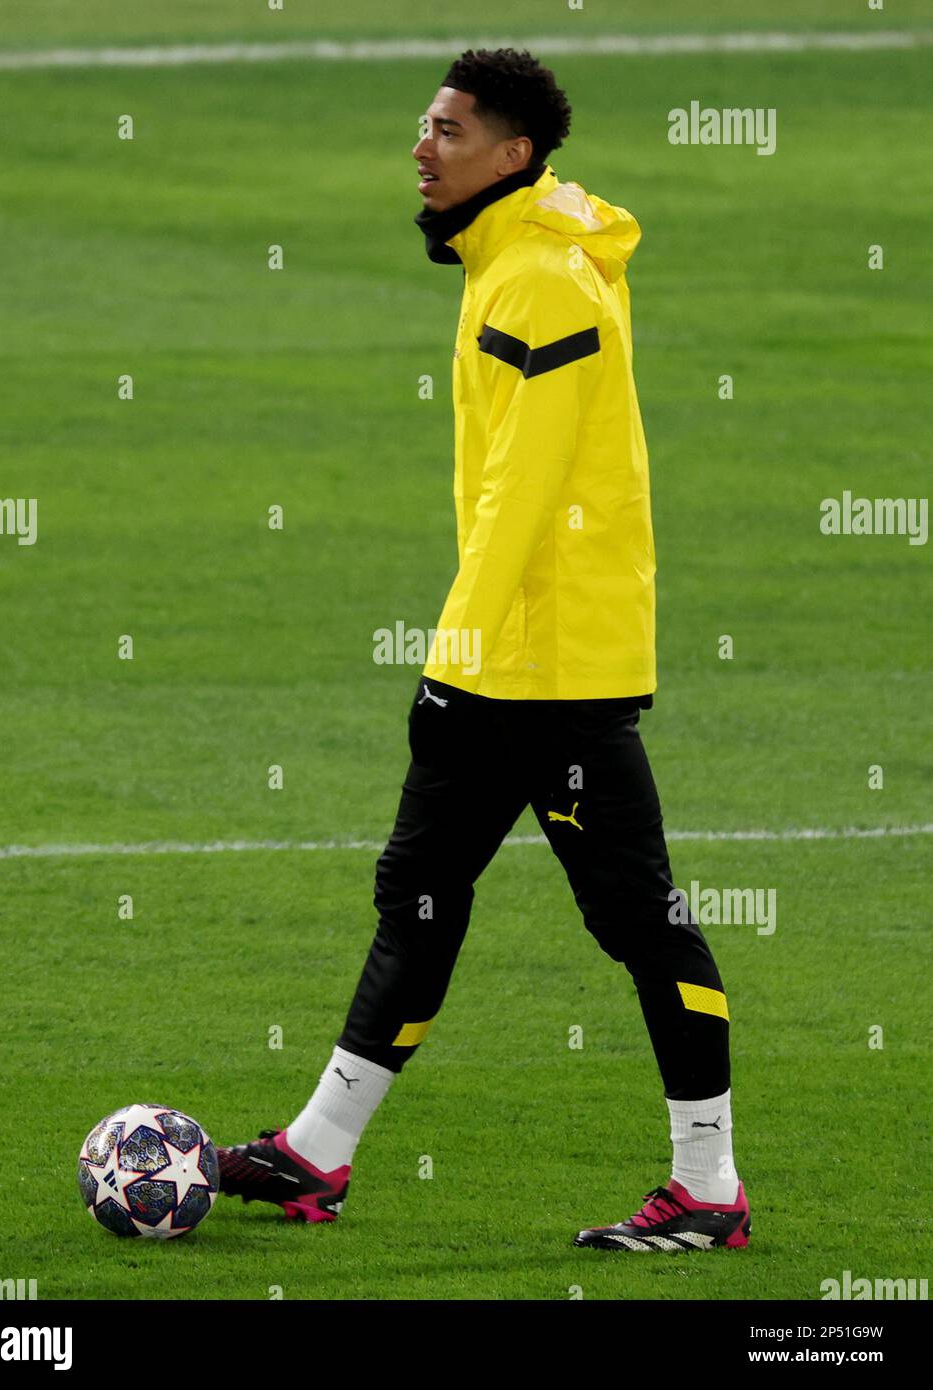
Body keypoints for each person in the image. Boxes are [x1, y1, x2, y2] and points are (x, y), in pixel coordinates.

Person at [218, 48, 750, 1253]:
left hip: (545, 671)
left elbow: (525, 493)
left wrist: (448, 659)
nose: (422, 144)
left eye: (449, 130)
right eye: (426, 122)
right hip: (510, 660)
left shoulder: (542, 286)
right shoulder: (514, 259)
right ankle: (318, 1152)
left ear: (512, 155)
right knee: (416, 896)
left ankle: (709, 1190)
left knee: (641, 924)